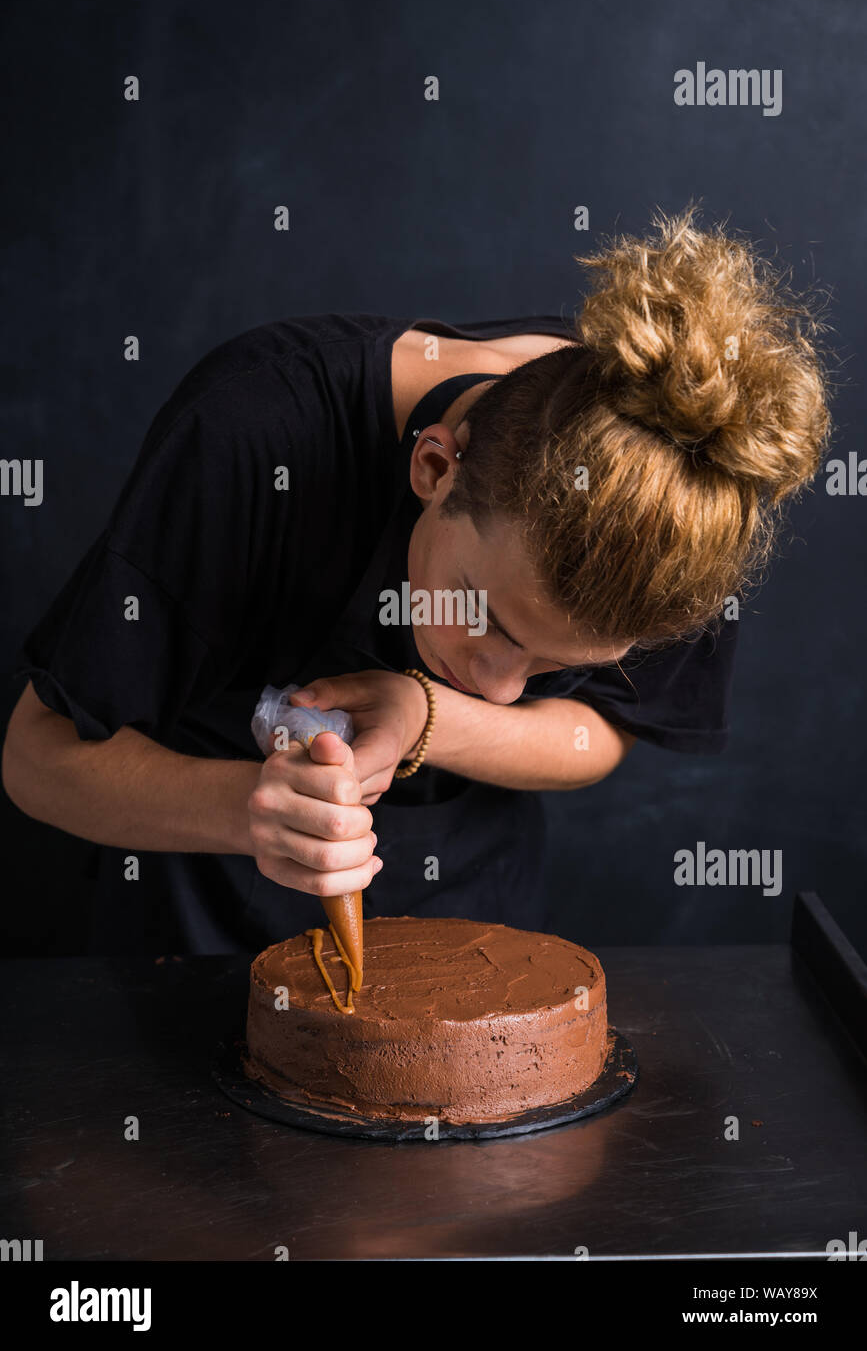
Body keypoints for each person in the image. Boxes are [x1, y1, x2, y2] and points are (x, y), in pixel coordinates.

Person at [2, 209, 830, 952]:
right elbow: (36, 760)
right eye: (494, 624)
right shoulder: (252, 428)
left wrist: (428, 716)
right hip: (191, 932)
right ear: (435, 465)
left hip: (477, 917)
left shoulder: (682, 484)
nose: (502, 691)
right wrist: (254, 809)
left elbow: (603, 734)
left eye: (553, 664)